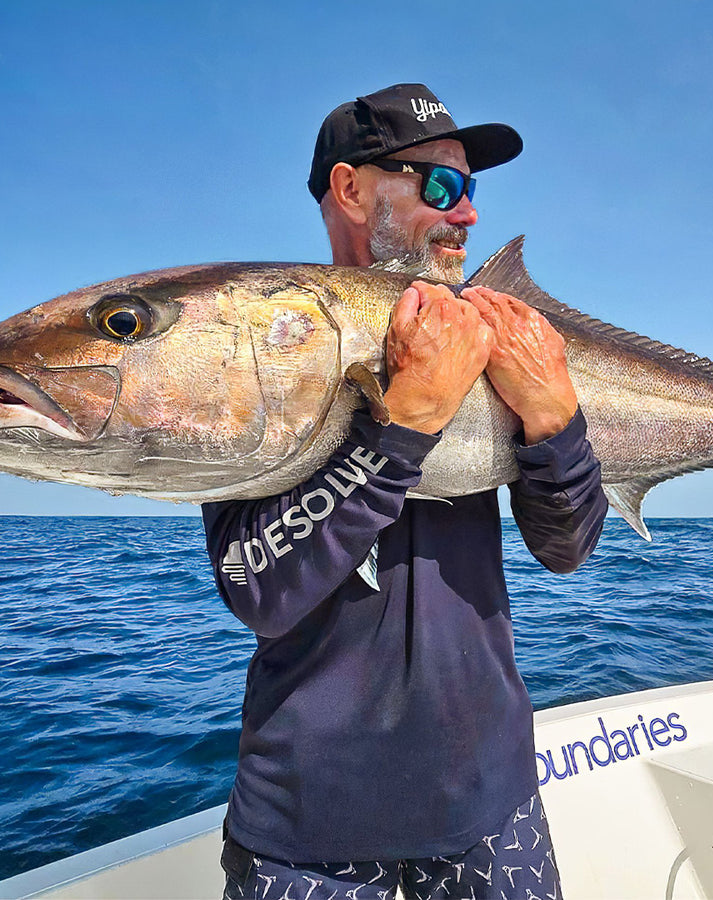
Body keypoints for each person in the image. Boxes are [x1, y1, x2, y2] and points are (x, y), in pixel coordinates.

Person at [202, 83, 607, 900]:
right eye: (442, 185)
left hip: (494, 802)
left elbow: (567, 549)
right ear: (351, 190)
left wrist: (555, 420)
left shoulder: (495, 345)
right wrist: (409, 420)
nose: (468, 213)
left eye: (471, 189)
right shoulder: (263, 348)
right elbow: (260, 590)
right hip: (308, 830)